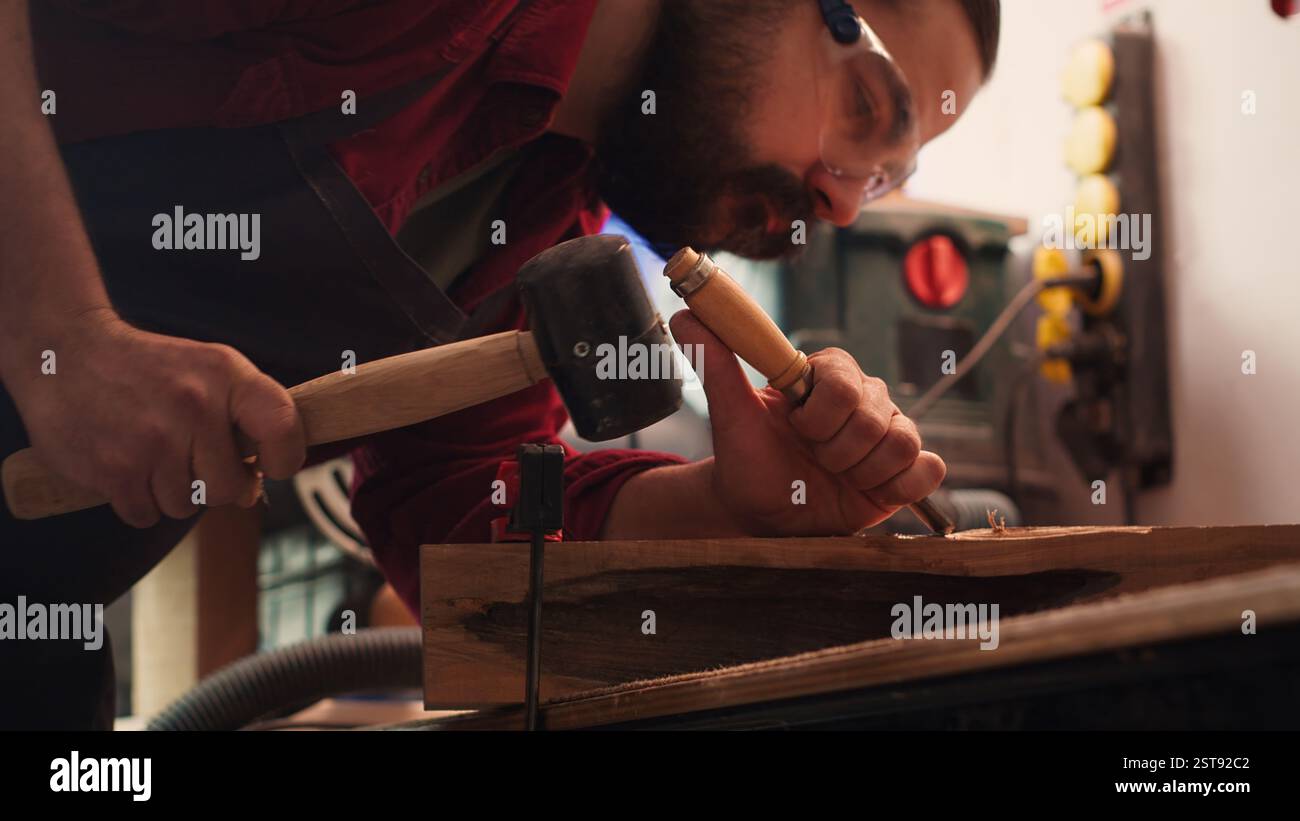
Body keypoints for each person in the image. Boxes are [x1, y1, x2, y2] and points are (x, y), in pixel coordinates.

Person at [0, 0, 1000, 728]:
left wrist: (727, 509)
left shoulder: (544, 211)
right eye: (867, 110)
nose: (840, 204)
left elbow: (452, 525)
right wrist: (60, 333)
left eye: (885, 178)